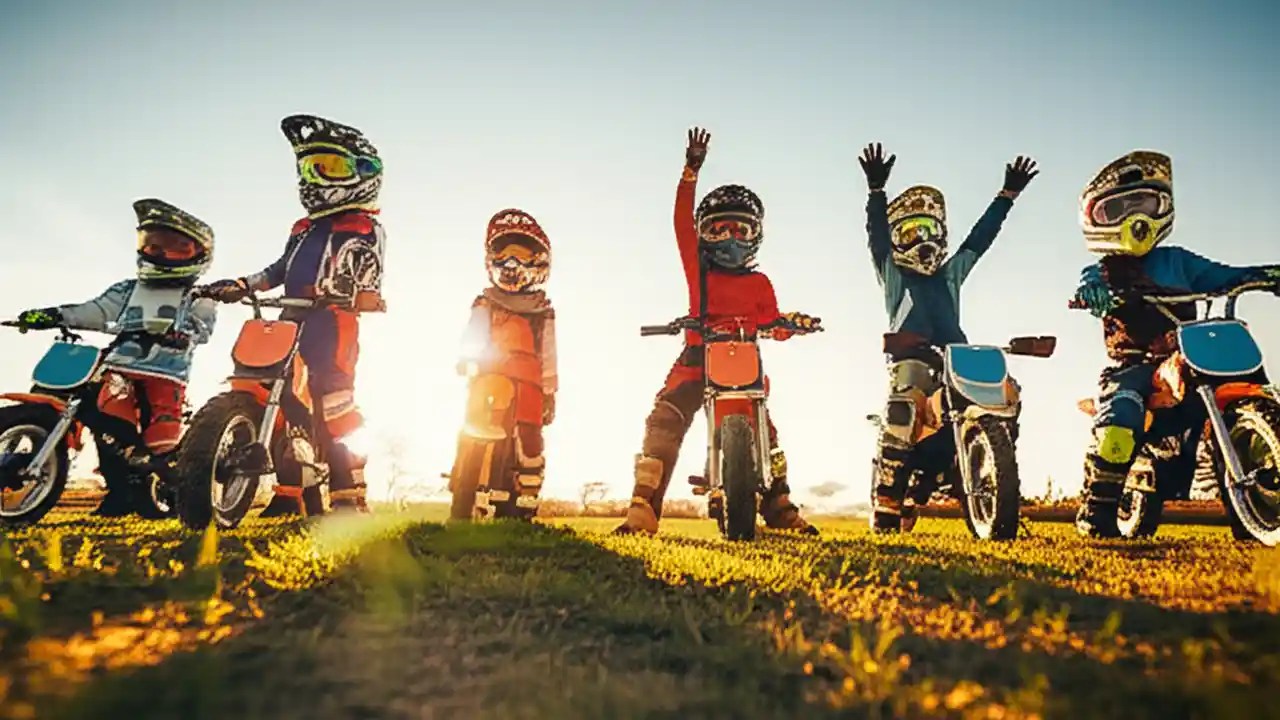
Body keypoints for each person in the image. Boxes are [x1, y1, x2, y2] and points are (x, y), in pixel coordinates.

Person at [615, 127, 820, 536]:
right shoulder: (700, 274)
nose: (730, 238)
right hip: (696, 360)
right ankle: (642, 511)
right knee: (664, 421)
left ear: (756, 235)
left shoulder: (760, 283)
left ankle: (779, 510)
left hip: (745, 368)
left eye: (741, 230)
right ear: (703, 235)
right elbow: (679, 224)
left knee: (769, 434)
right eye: (719, 229)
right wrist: (690, 171)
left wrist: (791, 326)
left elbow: (772, 323)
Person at [1070, 150, 1280, 537]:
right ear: (1097, 219)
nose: (1136, 217)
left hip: (1189, 357)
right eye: (1118, 209)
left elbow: (1225, 276)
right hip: (1133, 367)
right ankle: (1097, 511)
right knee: (1122, 412)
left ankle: (1250, 514)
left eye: (1146, 203)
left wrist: (1265, 275)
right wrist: (1095, 294)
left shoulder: (1178, 261)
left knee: (1228, 394)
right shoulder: (1103, 268)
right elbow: (1089, 286)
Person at [204, 114, 386, 514]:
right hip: (289, 317)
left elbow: (366, 267)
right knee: (279, 396)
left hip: (332, 320)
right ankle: (294, 497)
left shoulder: (363, 226)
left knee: (332, 400)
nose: (318, 177)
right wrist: (243, 285)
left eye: (331, 168)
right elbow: (279, 270)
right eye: (311, 167)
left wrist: (359, 292)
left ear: (364, 172)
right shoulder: (302, 227)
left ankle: (348, 493)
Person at [858, 143, 1038, 531]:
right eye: (911, 231)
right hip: (913, 361)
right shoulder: (895, 279)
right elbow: (876, 240)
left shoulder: (949, 277)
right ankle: (888, 499)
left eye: (929, 230)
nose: (922, 239)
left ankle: (992, 464)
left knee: (1008, 392)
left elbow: (978, 241)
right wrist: (876, 192)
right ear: (898, 239)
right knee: (904, 404)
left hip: (955, 360)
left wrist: (1006, 197)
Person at [18, 198, 217, 516]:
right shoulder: (127, 289)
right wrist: (53, 315)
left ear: (199, 254)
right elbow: (95, 311)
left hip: (162, 373)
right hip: (116, 367)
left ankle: (172, 485)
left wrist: (178, 332)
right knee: (105, 423)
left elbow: (201, 328)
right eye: (151, 244)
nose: (159, 253)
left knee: (160, 444)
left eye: (172, 247)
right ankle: (120, 493)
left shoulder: (198, 296)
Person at [452, 208, 557, 515]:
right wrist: (467, 358)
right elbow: (473, 332)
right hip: (488, 374)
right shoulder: (485, 303)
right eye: (504, 256)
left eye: (520, 256)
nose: (511, 265)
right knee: (472, 429)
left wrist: (550, 390)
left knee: (528, 440)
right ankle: (464, 495)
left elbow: (548, 352)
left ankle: (523, 501)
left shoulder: (541, 311)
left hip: (530, 382)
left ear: (537, 262)